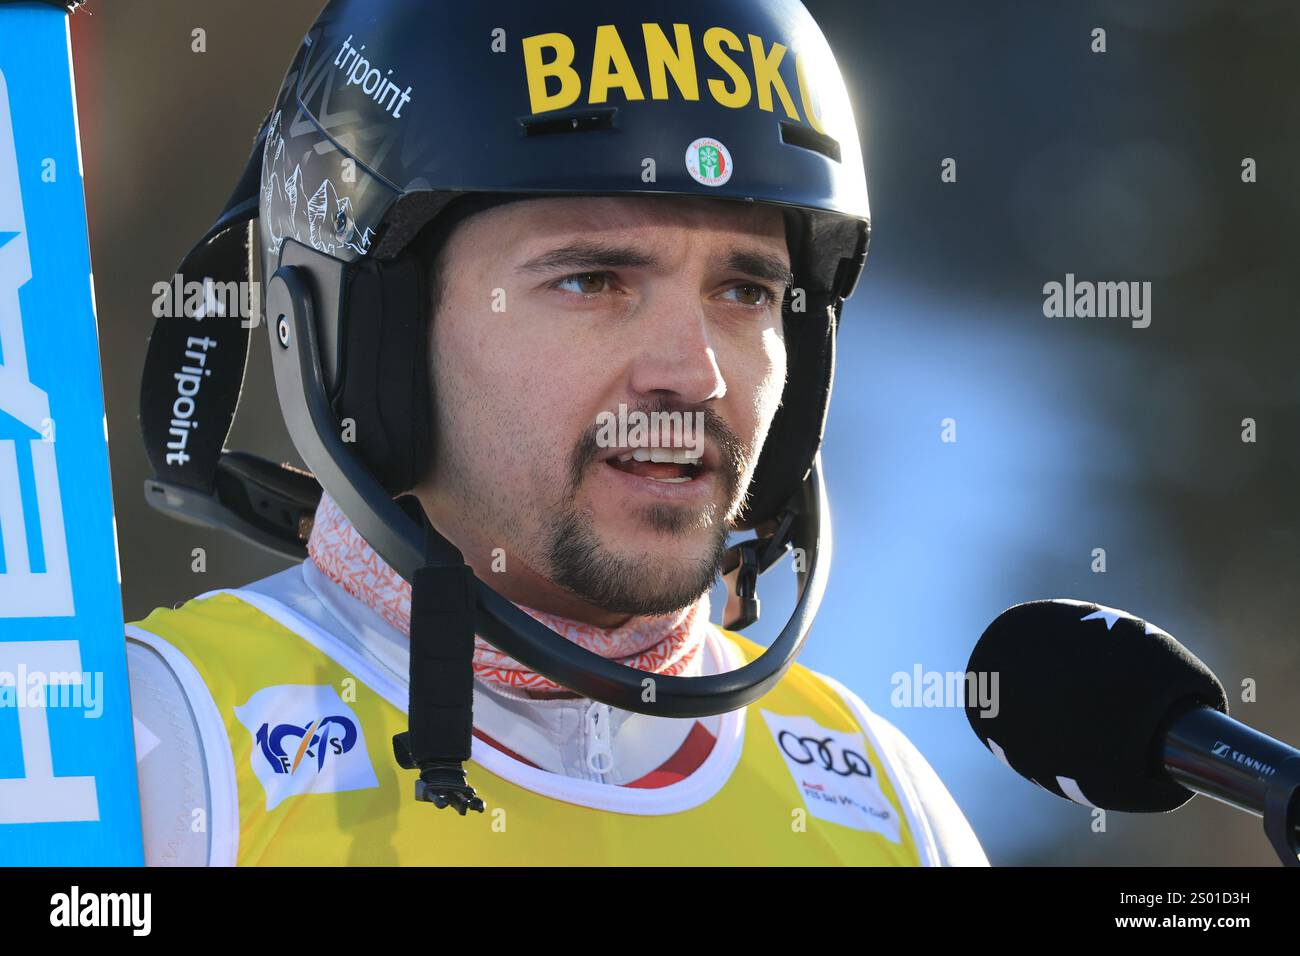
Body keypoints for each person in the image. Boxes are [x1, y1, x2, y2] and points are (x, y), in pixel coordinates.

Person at [127, 0, 988, 866]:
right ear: (369, 336)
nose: (695, 374)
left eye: (744, 292)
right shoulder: (163, 756)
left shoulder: (885, 809)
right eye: (592, 281)